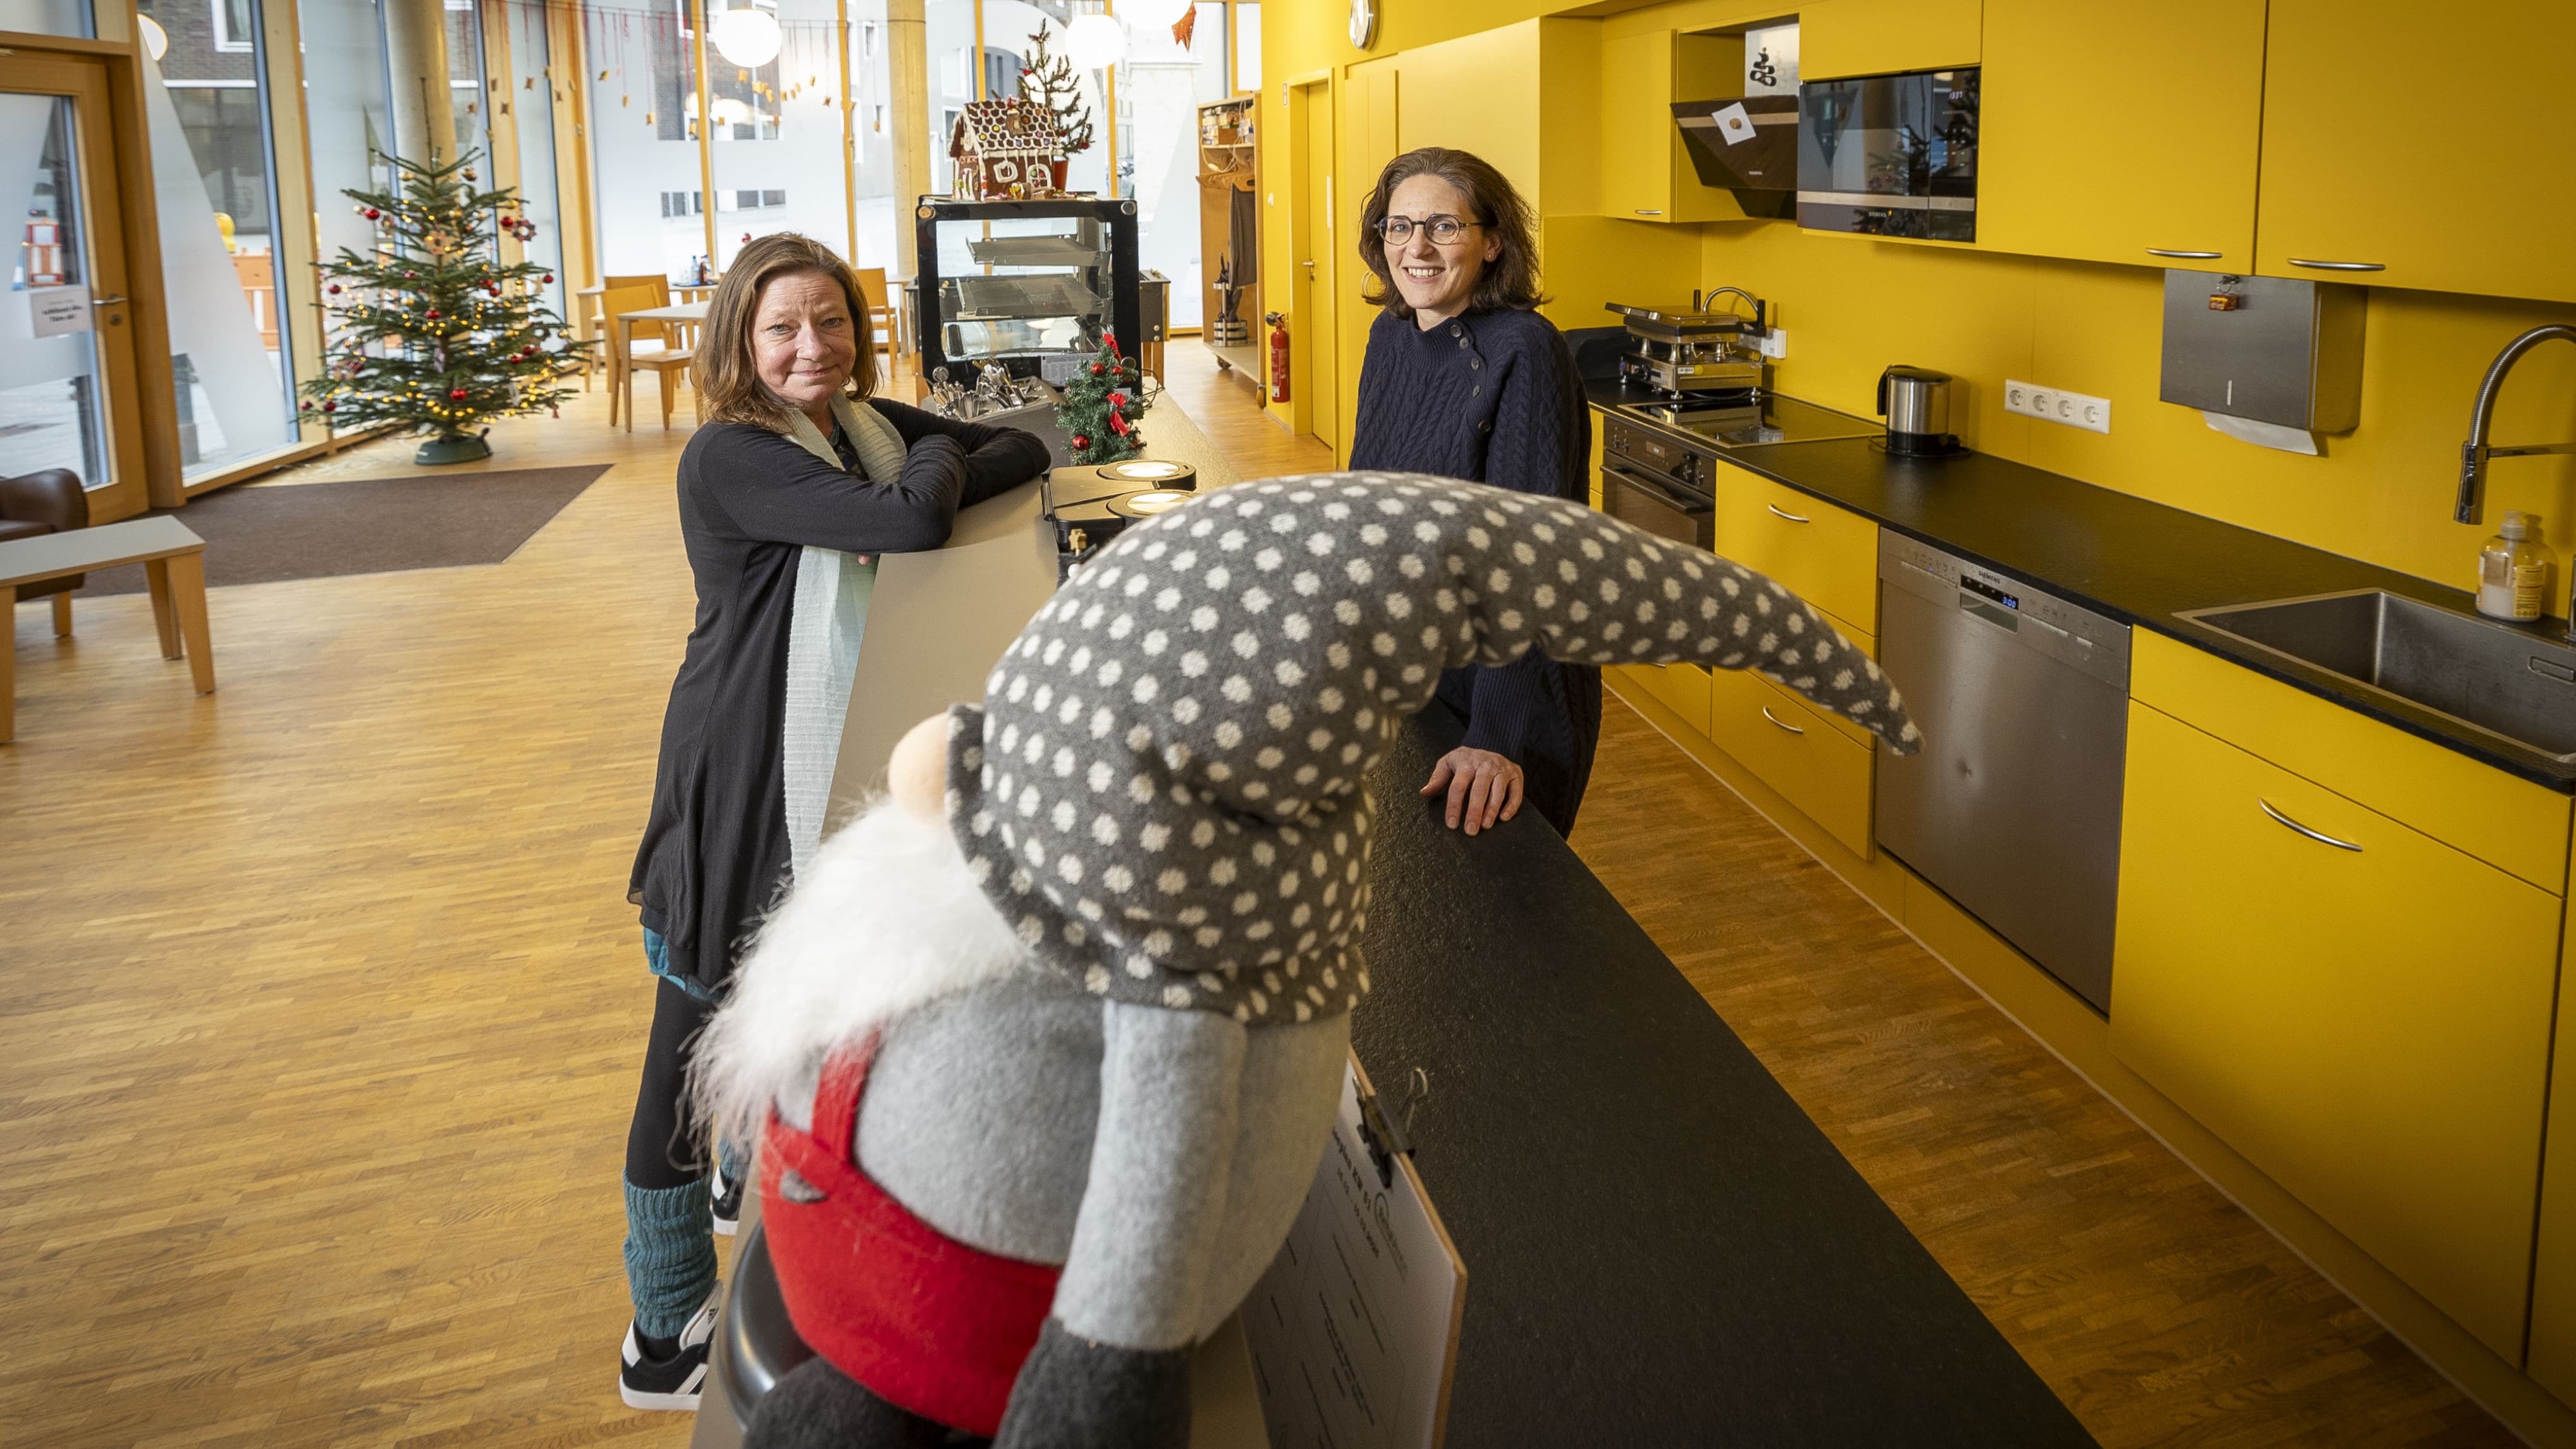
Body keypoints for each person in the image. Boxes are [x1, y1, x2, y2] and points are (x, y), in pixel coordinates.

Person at [616, 233, 1051, 1411]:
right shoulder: (730, 455)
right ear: (739, 344)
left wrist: (917, 464)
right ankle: (661, 1329)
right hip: (737, 778)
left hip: (808, 764)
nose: (812, 349)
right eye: (781, 329)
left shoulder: (857, 432)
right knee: (688, 1029)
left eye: (832, 323)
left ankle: (745, 1183)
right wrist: (915, 475)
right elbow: (910, 521)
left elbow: (1014, 444)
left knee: (797, 988)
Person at [1346, 147, 1598, 839]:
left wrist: (1495, 735)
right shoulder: (1391, 334)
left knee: (1500, 917)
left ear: (1492, 243)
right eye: (1399, 227)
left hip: (1507, 699)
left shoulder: (1526, 350)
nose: (1416, 247)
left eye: (1443, 227)